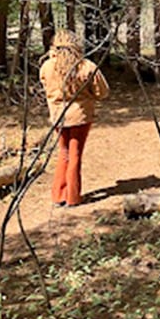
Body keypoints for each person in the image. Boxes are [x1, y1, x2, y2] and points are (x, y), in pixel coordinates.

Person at [39, 29, 110, 208]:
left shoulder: (47, 66)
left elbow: (45, 86)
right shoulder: (86, 66)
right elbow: (103, 92)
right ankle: (73, 197)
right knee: (75, 154)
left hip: (58, 117)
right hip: (80, 117)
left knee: (63, 154)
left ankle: (58, 195)